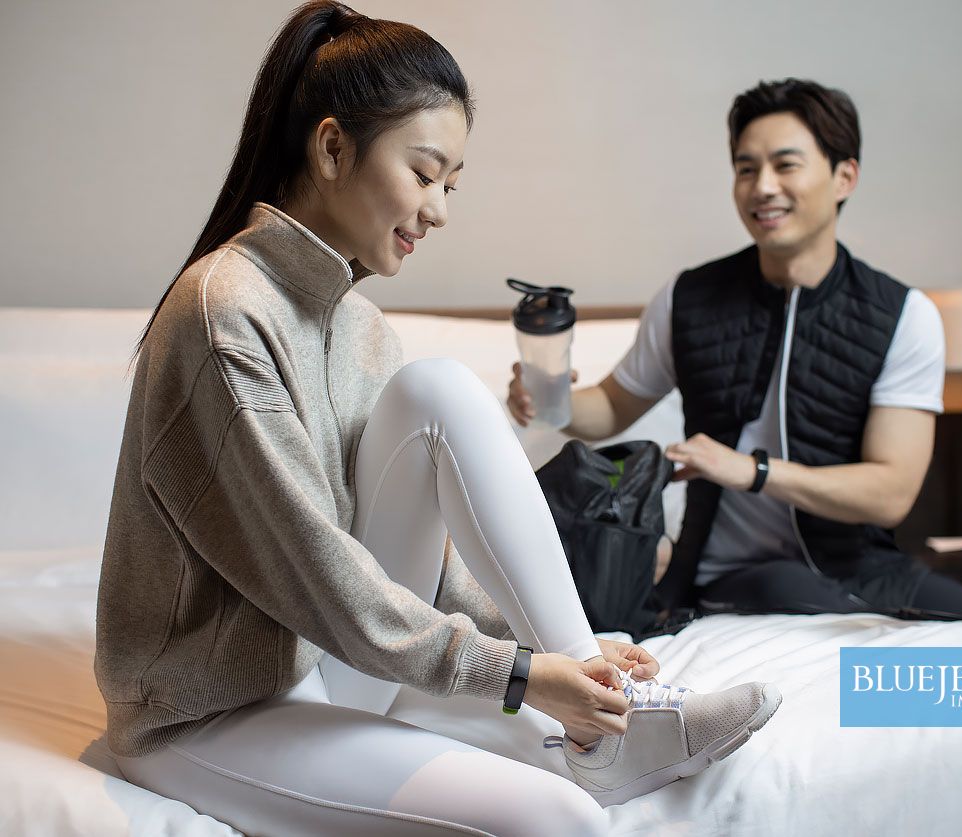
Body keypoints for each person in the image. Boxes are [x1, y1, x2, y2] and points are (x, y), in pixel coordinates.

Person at [95, 3, 781, 834]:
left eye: (451, 185)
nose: (441, 210)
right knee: (557, 818)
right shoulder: (224, 312)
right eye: (425, 175)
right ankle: (612, 737)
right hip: (203, 708)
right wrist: (521, 674)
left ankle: (614, 723)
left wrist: (570, 655)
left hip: (333, 665)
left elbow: (433, 565)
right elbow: (324, 575)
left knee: (439, 388)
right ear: (332, 146)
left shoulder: (359, 325)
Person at [509, 78, 962, 637]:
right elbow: (613, 408)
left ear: (844, 176)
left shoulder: (903, 316)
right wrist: (552, 397)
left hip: (863, 566)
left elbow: (891, 494)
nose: (762, 187)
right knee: (797, 595)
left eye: (786, 166)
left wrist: (754, 472)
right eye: (745, 168)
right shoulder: (688, 299)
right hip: (725, 576)